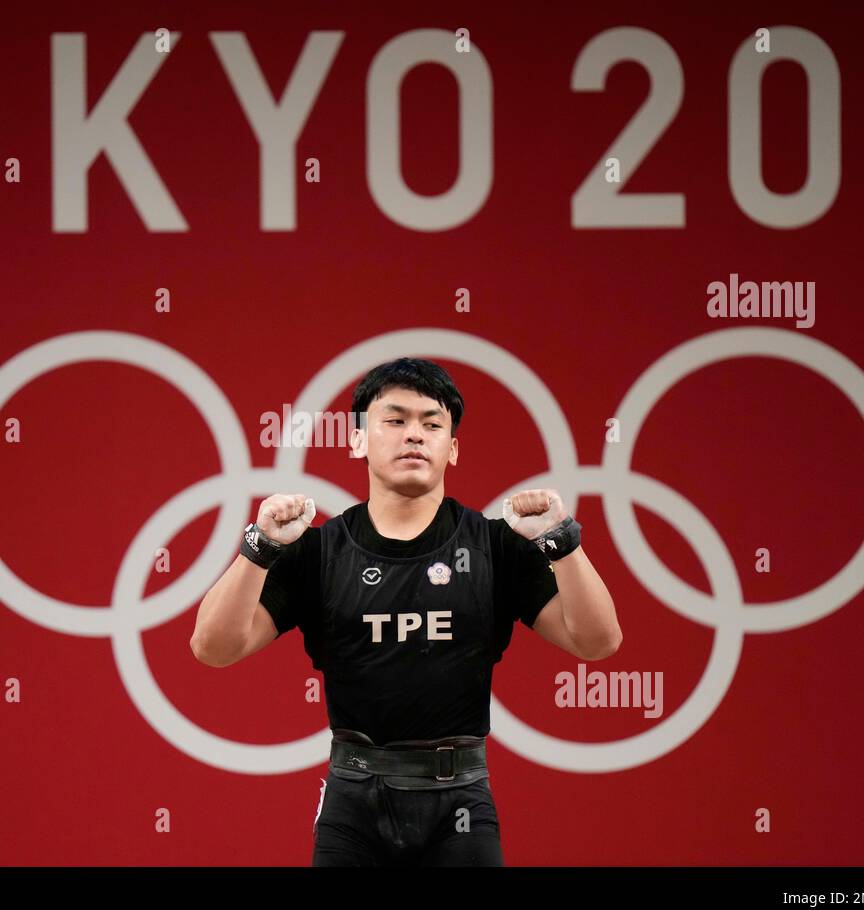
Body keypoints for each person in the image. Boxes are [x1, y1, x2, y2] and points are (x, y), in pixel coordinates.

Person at [190, 358, 623, 865]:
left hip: (460, 804)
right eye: (394, 421)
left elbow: (599, 642)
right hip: (354, 805)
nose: (414, 435)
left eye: (431, 423)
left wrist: (563, 541)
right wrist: (260, 546)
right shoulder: (318, 552)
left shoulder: (494, 546)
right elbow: (212, 649)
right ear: (357, 440)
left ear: (453, 448)